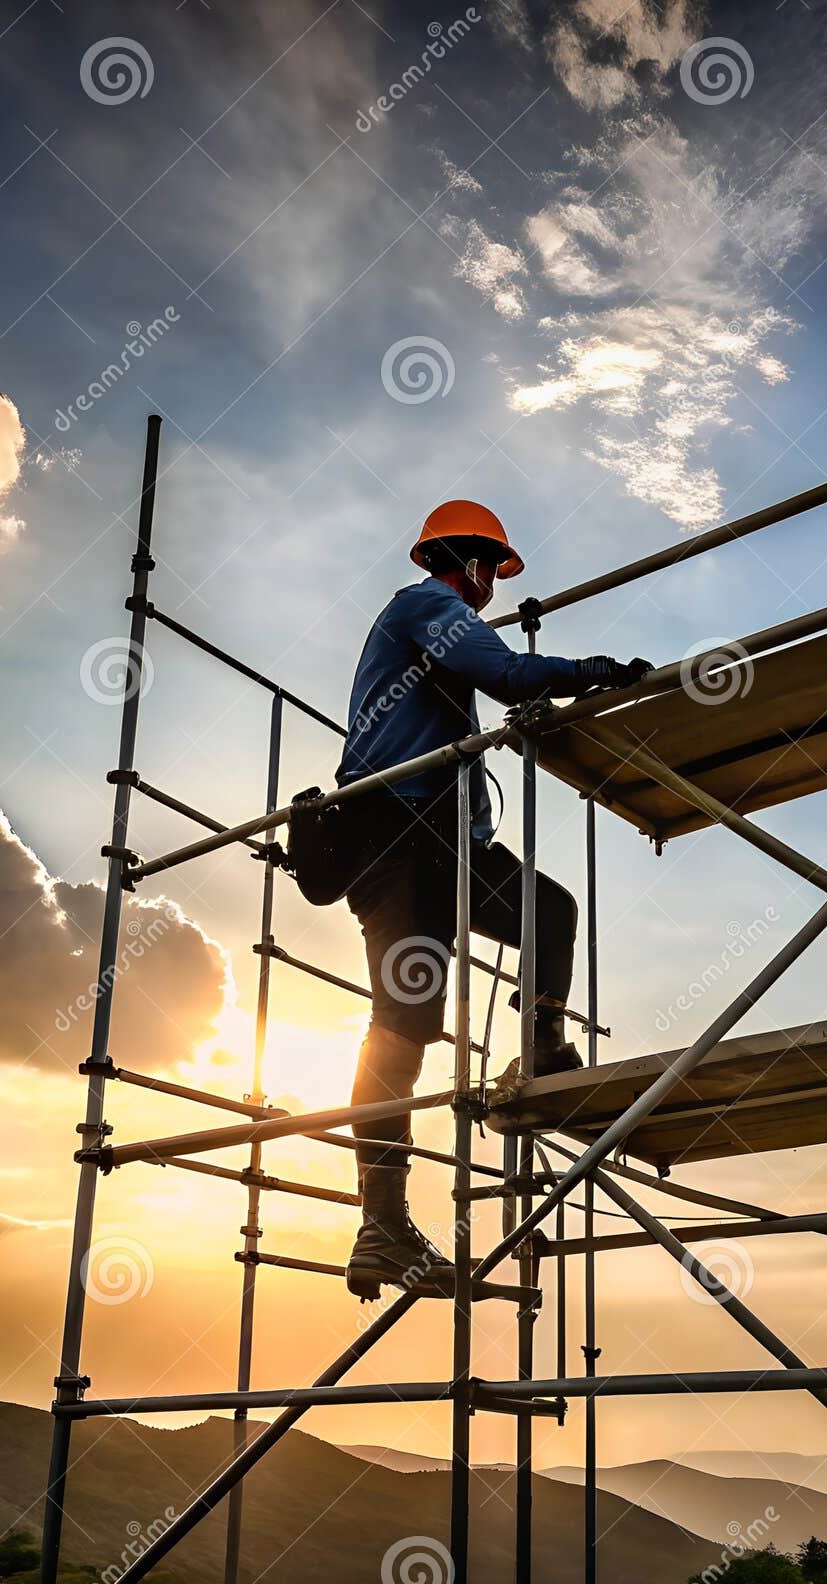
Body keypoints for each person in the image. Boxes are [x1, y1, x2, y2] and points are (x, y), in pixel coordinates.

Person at [334, 498, 650, 1300]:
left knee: (550, 911)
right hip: (394, 838)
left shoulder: (433, 627)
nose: (492, 594)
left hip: (444, 844)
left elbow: (491, 689)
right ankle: (382, 1223)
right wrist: (590, 674)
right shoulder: (425, 605)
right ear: (469, 562)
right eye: (492, 575)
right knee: (401, 1025)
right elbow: (504, 672)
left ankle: (541, 1045)